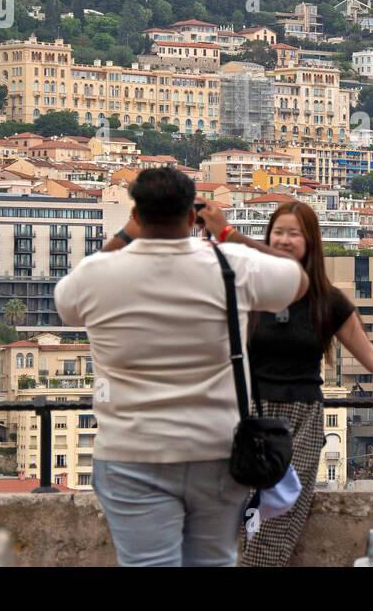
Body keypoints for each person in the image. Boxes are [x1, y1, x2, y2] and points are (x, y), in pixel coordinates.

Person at [55, 167, 307, 567]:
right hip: (216, 449)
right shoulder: (232, 265)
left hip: (130, 450)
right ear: (192, 216)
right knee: (214, 561)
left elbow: (66, 304)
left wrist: (124, 236)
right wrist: (228, 233)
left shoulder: (95, 274)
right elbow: (298, 280)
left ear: (136, 214)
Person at [198, 200, 373, 567]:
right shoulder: (250, 291)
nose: (284, 240)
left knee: (274, 533)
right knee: (234, 526)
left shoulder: (327, 301)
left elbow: (372, 359)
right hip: (250, 421)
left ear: (311, 242)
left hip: (302, 423)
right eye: (278, 232)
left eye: (294, 233)